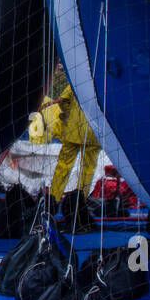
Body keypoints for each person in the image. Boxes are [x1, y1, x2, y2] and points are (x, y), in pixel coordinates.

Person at [47, 79, 101, 213]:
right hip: (94, 132)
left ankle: (54, 196)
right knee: (88, 167)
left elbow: (63, 100)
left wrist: (68, 114)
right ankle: (80, 199)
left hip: (73, 130)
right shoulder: (102, 83)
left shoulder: (77, 80)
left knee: (63, 165)